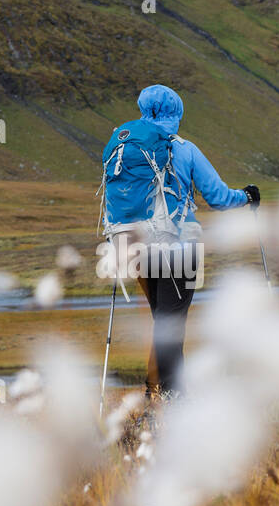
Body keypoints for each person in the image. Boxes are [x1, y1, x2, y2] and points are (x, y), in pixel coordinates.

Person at [99, 83, 258, 398]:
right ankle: (171, 398)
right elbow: (218, 197)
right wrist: (247, 197)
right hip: (178, 246)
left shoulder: (128, 146)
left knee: (161, 319)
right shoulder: (184, 148)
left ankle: (157, 392)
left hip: (134, 245)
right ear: (177, 113)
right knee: (170, 323)